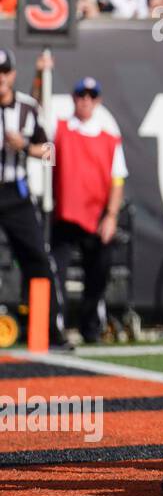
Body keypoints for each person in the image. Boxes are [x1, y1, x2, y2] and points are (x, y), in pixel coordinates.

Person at [50, 77, 127, 346]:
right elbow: (35, 127)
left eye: (91, 95)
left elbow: (117, 179)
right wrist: (40, 75)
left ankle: (91, 328)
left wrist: (111, 216)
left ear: (98, 101)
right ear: (73, 98)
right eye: (81, 95)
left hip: (96, 218)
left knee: (97, 276)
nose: (85, 100)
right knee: (54, 274)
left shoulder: (109, 137)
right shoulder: (59, 129)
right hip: (64, 216)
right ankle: (54, 328)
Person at [0, 48, 66, 347]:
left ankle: (48, 329)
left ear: (12, 74)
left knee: (38, 259)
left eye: (4, 72)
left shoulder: (27, 108)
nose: (0, 78)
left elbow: (49, 151)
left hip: (16, 192)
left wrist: (24, 146)